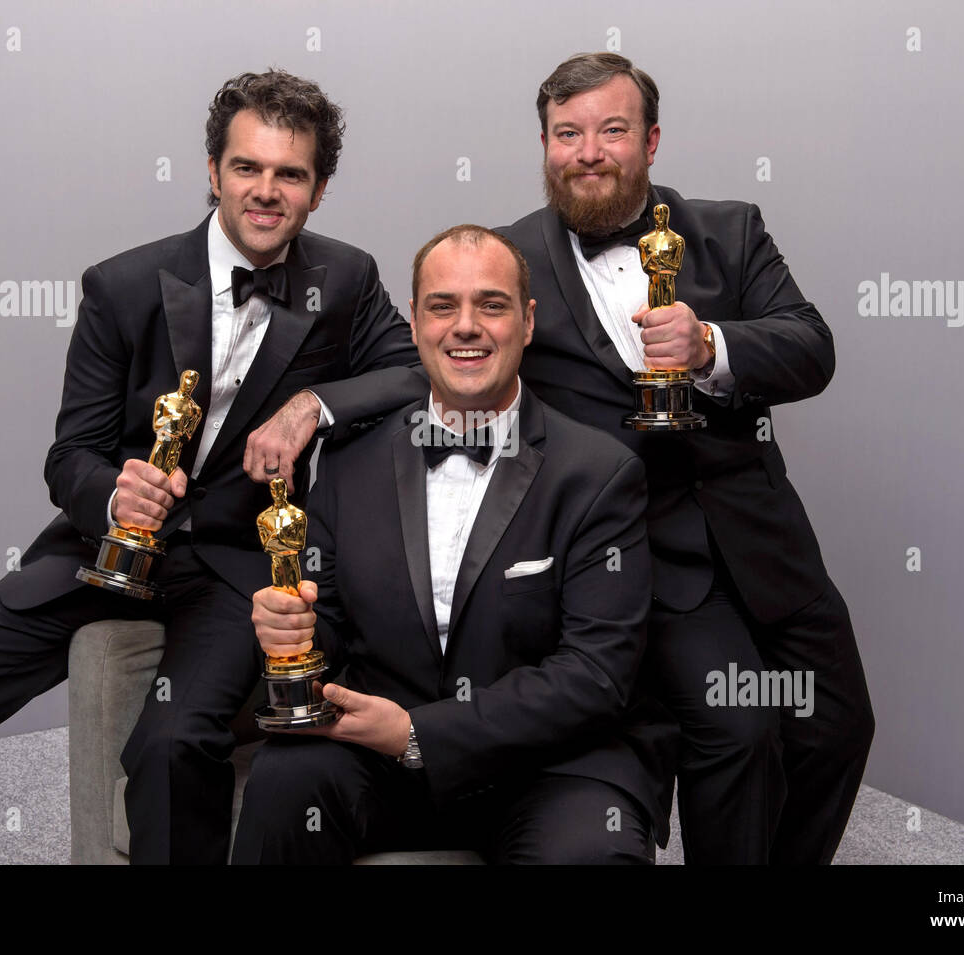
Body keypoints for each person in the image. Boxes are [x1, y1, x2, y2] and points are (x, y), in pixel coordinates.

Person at [0, 69, 423, 865]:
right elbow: (69, 456)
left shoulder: (347, 277)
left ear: (319, 190)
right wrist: (112, 492)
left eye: (290, 173)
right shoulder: (121, 285)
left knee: (172, 744)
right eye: (247, 168)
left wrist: (311, 408)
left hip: (233, 566)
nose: (266, 191)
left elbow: (414, 372)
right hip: (104, 552)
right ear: (213, 172)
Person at [497, 52, 875, 864]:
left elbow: (812, 347)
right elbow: (437, 361)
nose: (588, 151)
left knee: (839, 725)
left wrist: (711, 345)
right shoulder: (507, 258)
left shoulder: (730, 228)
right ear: (544, 144)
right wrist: (313, 405)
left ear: (652, 140)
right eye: (568, 133)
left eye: (612, 130)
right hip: (640, 555)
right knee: (738, 729)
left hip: (764, 537)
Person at [230, 225, 677, 865]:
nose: (465, 326)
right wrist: (291, 632)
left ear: (526, 322)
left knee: (591, 853)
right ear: (414, 324)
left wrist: (419, 733)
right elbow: (328, 624)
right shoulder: (348, 465)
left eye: (490, 305)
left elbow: (596, 674)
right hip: (381, 753)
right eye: (443, 306)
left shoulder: (599, 472)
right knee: (281, 782)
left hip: (550, 765)